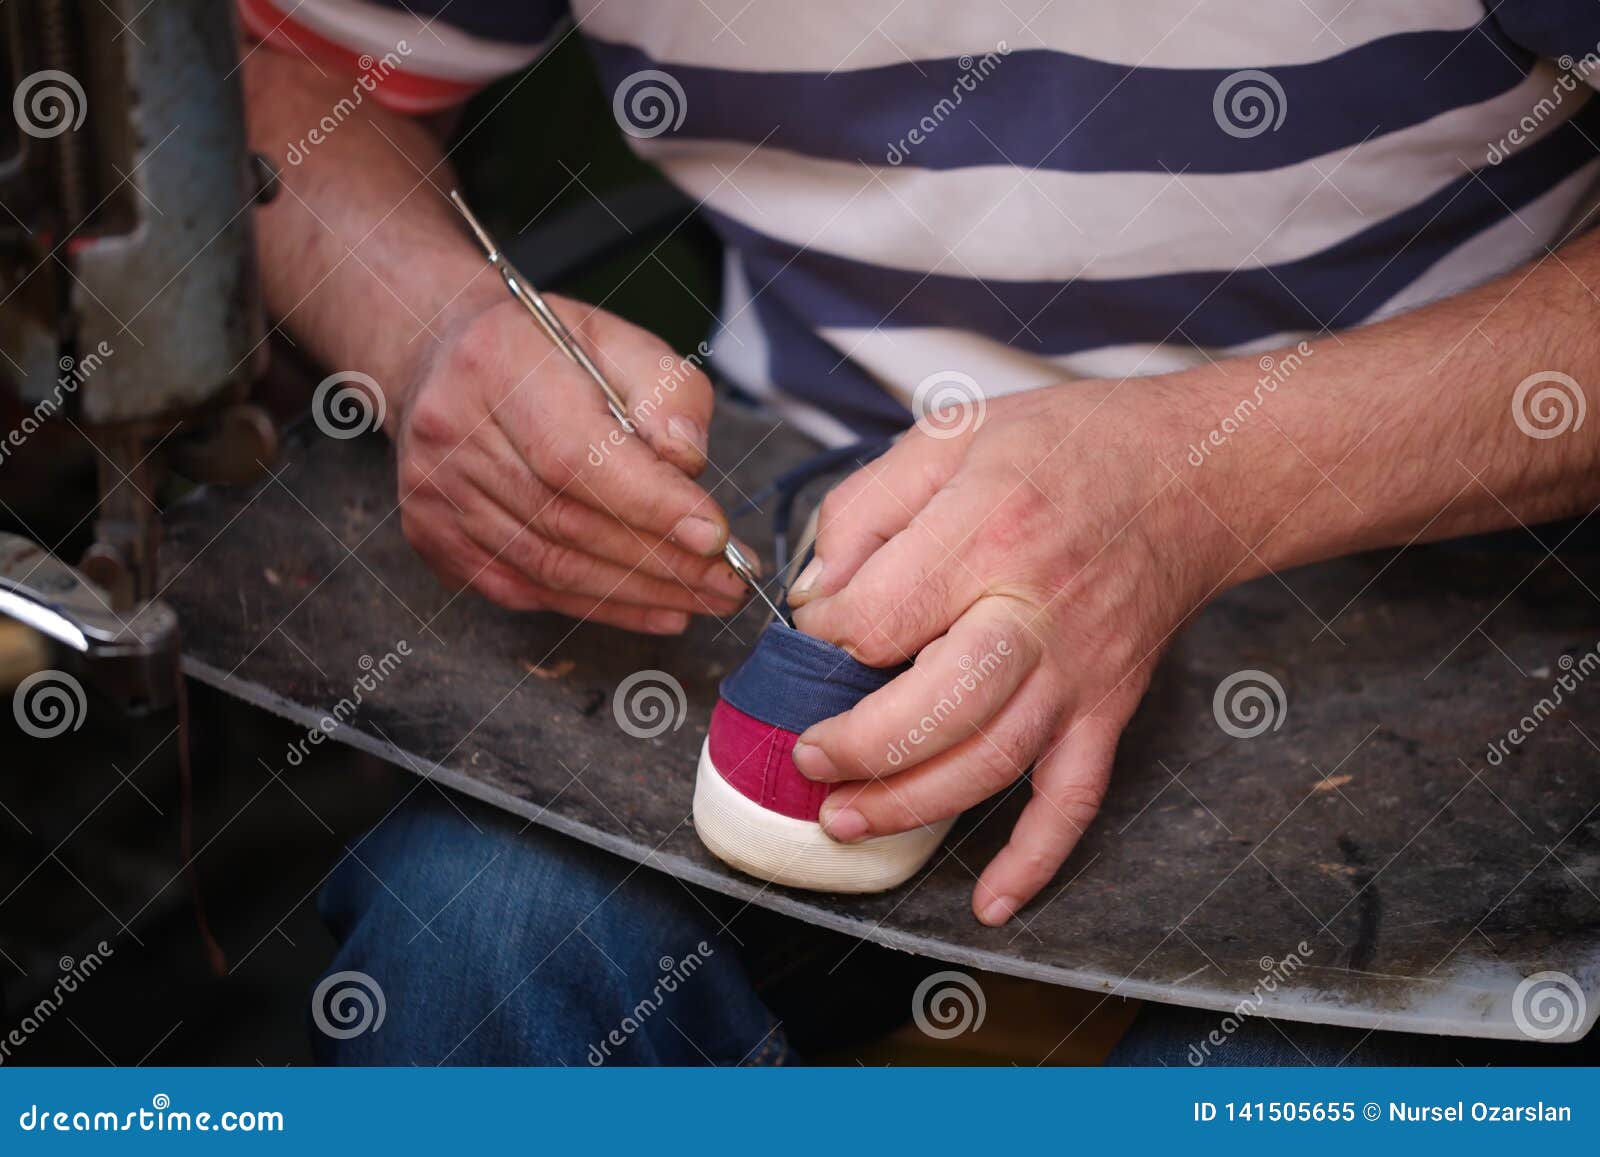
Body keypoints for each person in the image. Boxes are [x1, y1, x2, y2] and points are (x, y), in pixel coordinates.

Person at [242, 1, 1600, 1064]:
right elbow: (280, 70)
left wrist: (1199, 486)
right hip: (816, 522)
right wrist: (425, 328)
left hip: (1420, 569)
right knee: (472, 950)